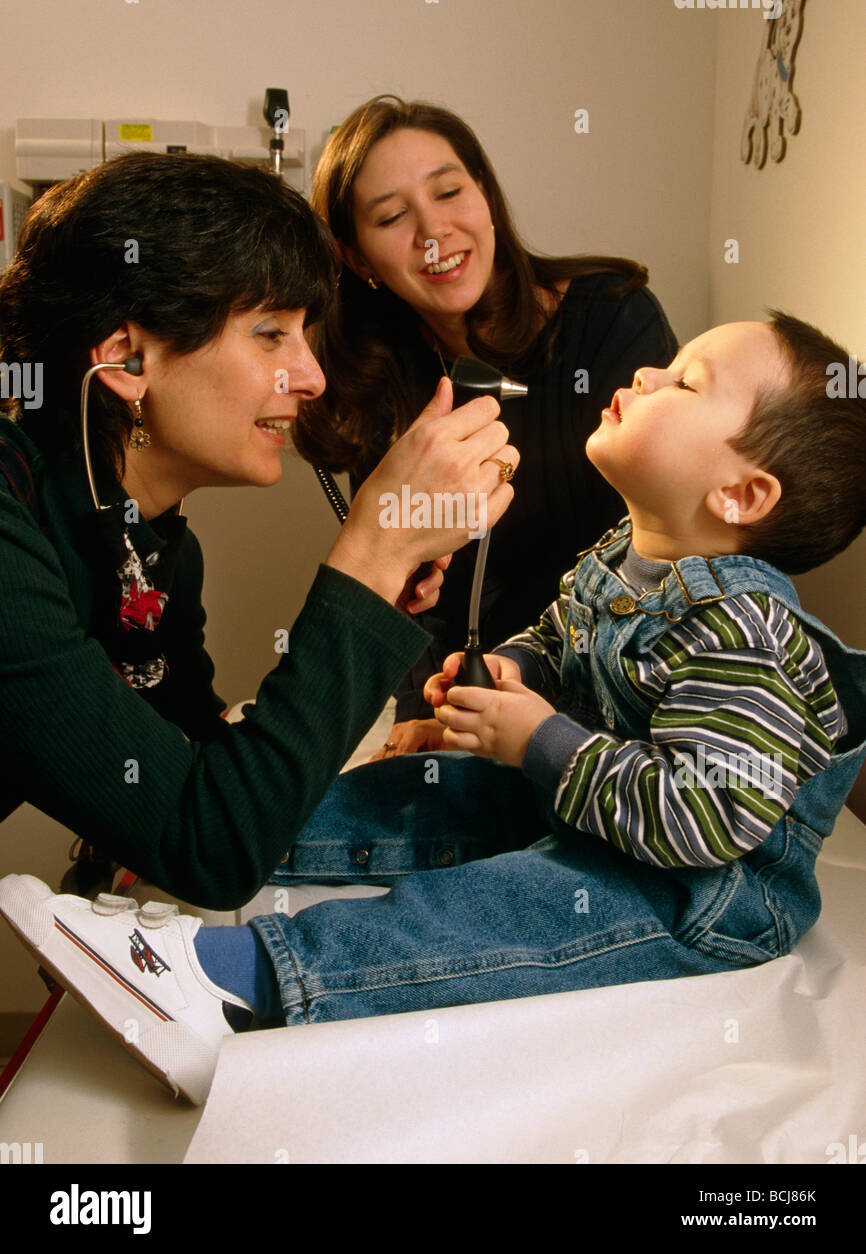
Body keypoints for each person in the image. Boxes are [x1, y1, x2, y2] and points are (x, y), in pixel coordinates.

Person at [5, 310, 865, 1105]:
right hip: (598, 804)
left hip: (701, 889)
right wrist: (507, 672)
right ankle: (203, 850)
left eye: (685, 382)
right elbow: (562, 641)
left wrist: (543, 740)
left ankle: (232, 978)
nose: (645, 372)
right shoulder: (627, 557)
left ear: (742, 496)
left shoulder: (747, 632)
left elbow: (703, 819)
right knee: (429, 785)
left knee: (518, 898)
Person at [0, 151, 519, 908]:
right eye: (271, 332)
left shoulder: (157, 550)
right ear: (126, 359)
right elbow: (210, 846)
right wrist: (368, 556)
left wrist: (378, 601)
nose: (310, 377)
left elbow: (219, 781)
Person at [292, 95, 678, 758]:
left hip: (626, 690)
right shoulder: (381, 382)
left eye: (448, 192)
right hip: (471, 699)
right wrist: (427, 711)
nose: (433, 231)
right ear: (357, 259)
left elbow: (674, 541)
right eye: (391, 216)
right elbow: (416, 592)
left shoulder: (613, 320)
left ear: (487, 196)